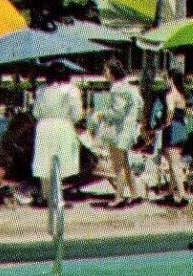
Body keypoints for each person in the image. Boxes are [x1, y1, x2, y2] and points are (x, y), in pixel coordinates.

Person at [31, 62, 83, 204]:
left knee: (44, 161)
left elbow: (36, 112)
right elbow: (77, 114)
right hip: (63, 126)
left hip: (44, 127)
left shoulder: (41, 90)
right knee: (60, 162)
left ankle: (46, 195)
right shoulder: (72, 90)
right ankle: (57, 196)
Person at [95, 59, 143, 209]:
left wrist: (103, 114)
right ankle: (135, 194)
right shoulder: (130, 87)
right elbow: (140, 105)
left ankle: (119, 197)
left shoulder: (117, 89)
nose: (104, 73)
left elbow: (117, 112)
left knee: (118, 166)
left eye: (106, 70)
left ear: (112, 72)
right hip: (128, 130)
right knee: (125, 164)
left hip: (118, 131)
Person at [151, 71, 190, 207]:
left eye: (166, 78)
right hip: (181, 128)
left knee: (174, 165)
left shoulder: (170, 94)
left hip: (172, 129)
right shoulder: (181, 94)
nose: (165, 81)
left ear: (171, 79)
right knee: (175, 162)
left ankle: (182, 195)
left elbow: (170, 111)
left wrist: (164, 125)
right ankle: (170, 192)